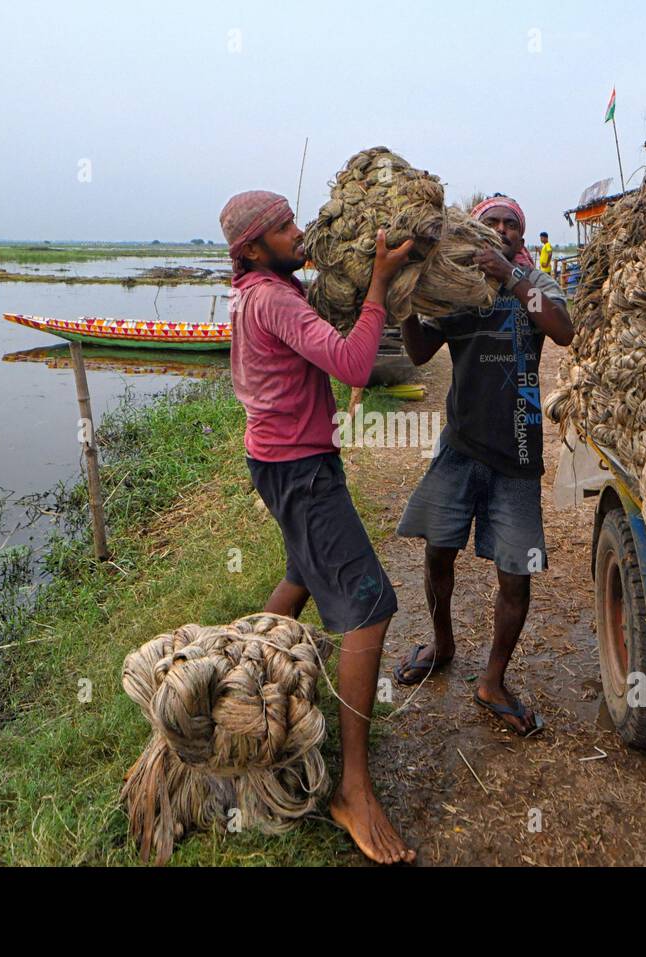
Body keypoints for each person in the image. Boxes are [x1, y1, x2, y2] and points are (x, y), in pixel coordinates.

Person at [220, 189, 416, 864]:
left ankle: (230, 686)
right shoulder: (274, 298)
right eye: (284, 228)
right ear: (251, 247)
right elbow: (357, 364)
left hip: (278, 460)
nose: (299, 232)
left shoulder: (256, 290)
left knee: (302, 573)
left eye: (294, 219)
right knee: (368, 608)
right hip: (300, 470)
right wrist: (382, 285)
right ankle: (352, 791)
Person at [394, 195, 572, 735]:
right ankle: (443, 642)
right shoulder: (458, 291)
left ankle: (492, 679)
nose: (500, 230)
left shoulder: (536, 284)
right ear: (475, 230)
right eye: (489, 223)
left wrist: (514, 277)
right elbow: (422, 353)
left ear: (522, 233)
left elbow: (563, 330)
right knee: (438, 552)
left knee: (516, 575)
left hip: (519, 452)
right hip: (459, 447)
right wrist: (404, 302)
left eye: (509, 224)